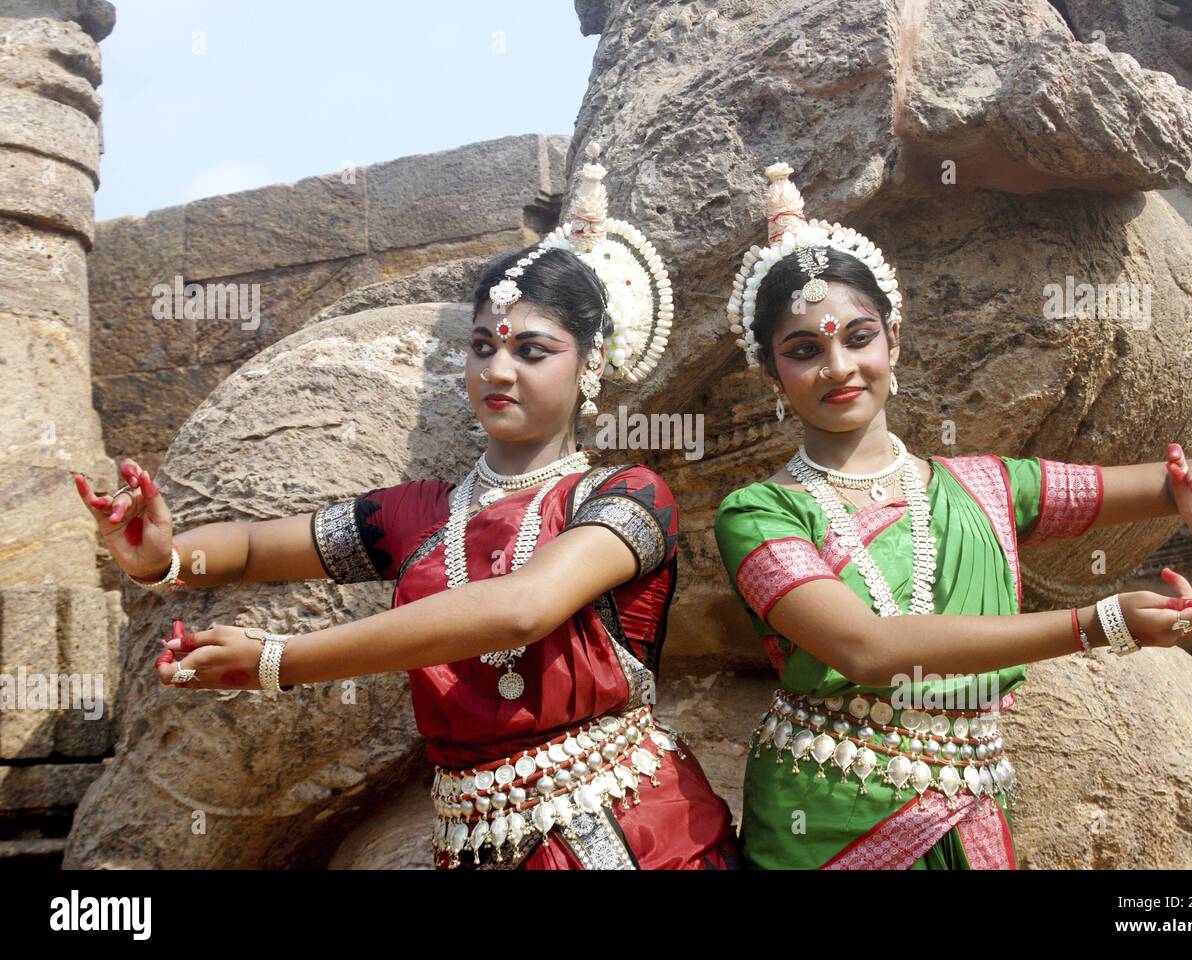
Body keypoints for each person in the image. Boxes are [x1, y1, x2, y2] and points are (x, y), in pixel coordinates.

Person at [74, 144, 738, 870]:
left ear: (592, 363)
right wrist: (166, 557)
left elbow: (522, 607)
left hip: (634, 835)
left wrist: (279, 660)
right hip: (472, 842)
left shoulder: (625, 497)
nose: (498, 370)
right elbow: (260, 548)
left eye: (533, 350)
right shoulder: (418, 515)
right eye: (483, 345)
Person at [712, 162, 1192, 870]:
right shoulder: (758, 513)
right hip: (823, 828)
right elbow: (865, 650)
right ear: (771, 372)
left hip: (969, 812)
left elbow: (1176, 486)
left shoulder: (985, 485)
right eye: (804, 350)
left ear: (894, 340)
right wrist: (1100, 624)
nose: (838, 367)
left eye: (858, 337)